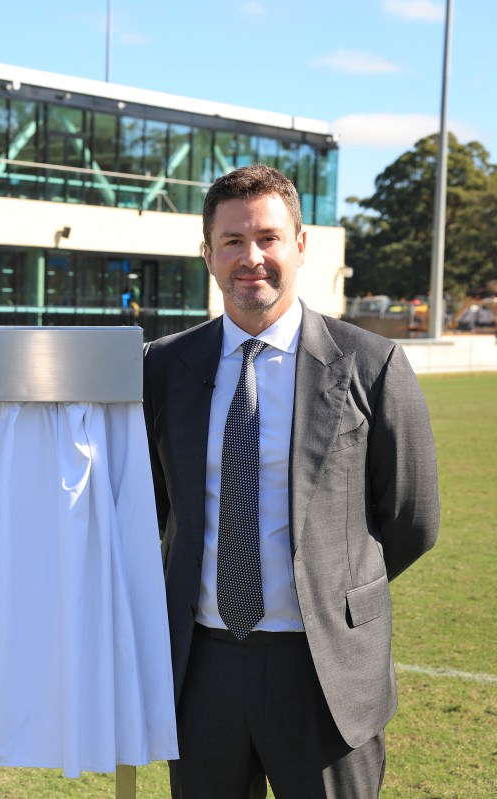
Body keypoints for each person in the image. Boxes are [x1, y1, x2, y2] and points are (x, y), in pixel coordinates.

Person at [142, 165, 439, 798]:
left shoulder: (371, 363)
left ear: (300, 246)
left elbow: (414, 519)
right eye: (232, 241)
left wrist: (338, 587)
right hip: (200, 671)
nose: (252, 257)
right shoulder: (164, 368)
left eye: (269, 237)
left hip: (324, 671)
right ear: (208, 254)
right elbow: (153, 507)